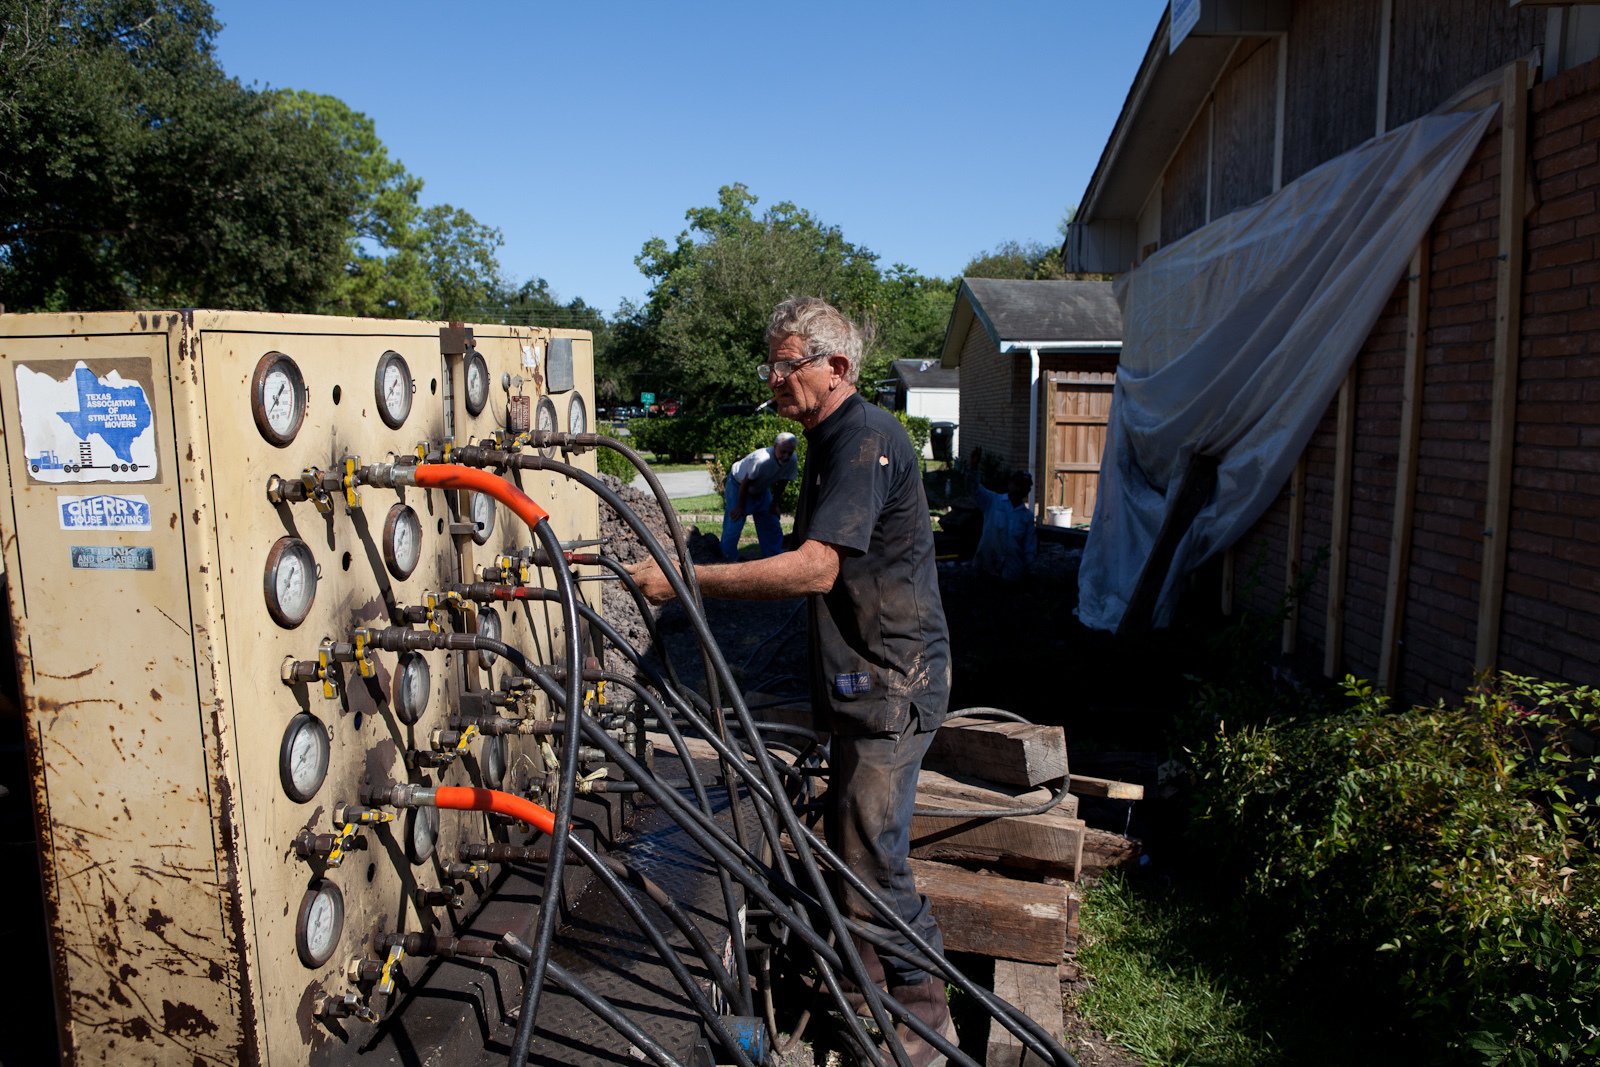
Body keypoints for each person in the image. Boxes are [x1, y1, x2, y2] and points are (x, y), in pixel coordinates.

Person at [627, 297, 957, 1066]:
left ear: (836, 367)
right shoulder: (827, 439)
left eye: (787, 364)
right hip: (863, 681)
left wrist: (687, 580)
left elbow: (816, 567)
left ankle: (926, 1019)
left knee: (875, 853)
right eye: (771, 365)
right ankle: (862, 984)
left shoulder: (865, 439)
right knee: (847, 844)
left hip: (892, 684)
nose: (774, 378)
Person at [720, 433, 798, 560]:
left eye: (789, 453)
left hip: (761, 487)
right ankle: (728, 558)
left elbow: (784, 481)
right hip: (738, 484)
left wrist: (774, 504)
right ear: (775, 446)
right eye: (783, 451)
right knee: (735, 519)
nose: (786, 456)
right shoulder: (761, 459)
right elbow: (745, 482)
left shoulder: (792, 460)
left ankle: (772, 556)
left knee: (770, 520)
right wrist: (740, 506)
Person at [973, 469, 1037, 582]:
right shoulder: (992, 501)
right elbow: (973, 489)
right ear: (1010, 484)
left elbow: (1029, 548)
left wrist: (1031, 572)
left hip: (1011, 575)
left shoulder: (1027, 516)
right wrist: (974, 468)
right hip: (986, 570)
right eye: (1017, 484)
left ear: (1027, 490)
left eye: (1023, 486)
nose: (1018, 489)